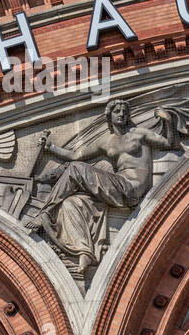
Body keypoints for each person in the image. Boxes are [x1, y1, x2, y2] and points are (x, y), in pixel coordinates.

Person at [27, 98, 177, 277]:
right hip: (117, 188)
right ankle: (84, 252)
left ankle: (44, 212)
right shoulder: (107, 142)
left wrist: (167, 120)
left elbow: (170, 143)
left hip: (132, 187)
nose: (121, 114)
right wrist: (50, 147)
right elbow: (76, 155)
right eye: (117, 111)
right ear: (109, 116)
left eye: (124, 111)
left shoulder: (139, 133)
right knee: (71, 203)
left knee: (76, 170)